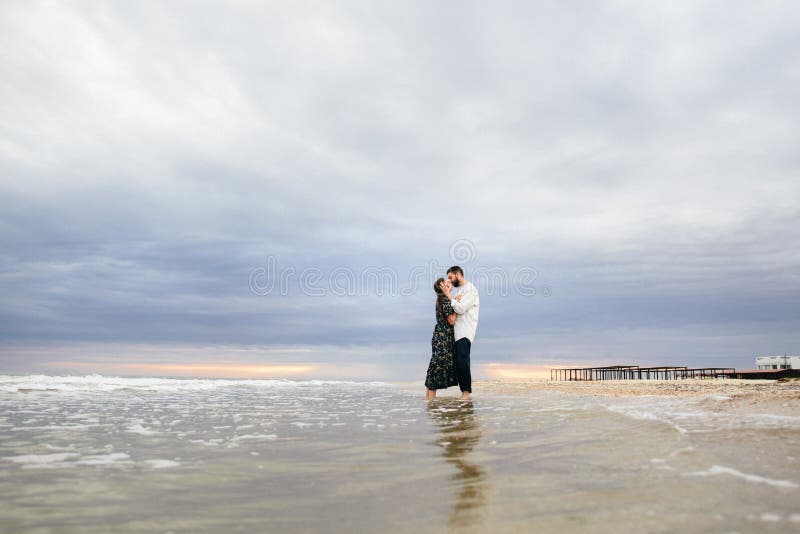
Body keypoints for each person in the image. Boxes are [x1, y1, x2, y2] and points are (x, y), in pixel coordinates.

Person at [446, 265, 479, 400]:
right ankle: (464, 392)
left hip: (465, 330)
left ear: (458, 274)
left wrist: (449, 295)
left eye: (451, 277)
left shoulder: (470, 289)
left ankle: (466, 393)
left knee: (462, 361)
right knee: (460, 362)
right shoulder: (461, 290)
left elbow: (460, 308)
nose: (450, 280)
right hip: (458, 331)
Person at [425, 277, 459, 400]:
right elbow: (451, 321)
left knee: (434, 366)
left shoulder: (441, 299)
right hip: (443, 338)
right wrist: (456, 306)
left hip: (438, 336)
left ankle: (429, 401)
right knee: (437, 367)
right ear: (442, 288)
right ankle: (431, 402)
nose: (449, 283)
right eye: (446, 283)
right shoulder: (445, 300)